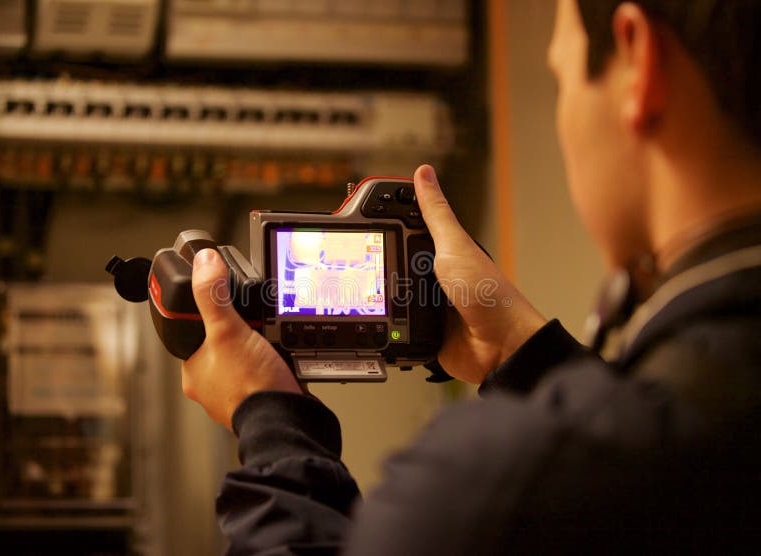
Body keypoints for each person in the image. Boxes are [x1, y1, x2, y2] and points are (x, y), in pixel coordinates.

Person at [180, 0, 761, 553]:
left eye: (560, 79)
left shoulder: (488, 491)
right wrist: (516, 348)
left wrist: (270, 419)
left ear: (638, 61)